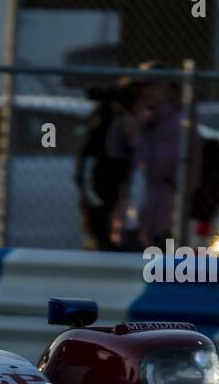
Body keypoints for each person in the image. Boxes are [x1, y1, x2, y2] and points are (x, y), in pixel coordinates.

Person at [105, 61, 201, 251]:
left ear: (168, 89)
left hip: (161, 221)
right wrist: (123, 114)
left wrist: (136, 138)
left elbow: (159, 169)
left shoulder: (177, 125)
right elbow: (114, 152)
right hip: (131, 218)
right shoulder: (144, 118)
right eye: (142, 86)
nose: (147, 91)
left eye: (154, 85)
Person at [75, 83, 132, 250]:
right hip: (101, 200)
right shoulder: (100, 129)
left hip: (112, 199)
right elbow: (84, 167)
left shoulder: (120, 129)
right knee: (101, 242)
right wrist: (94, 200)